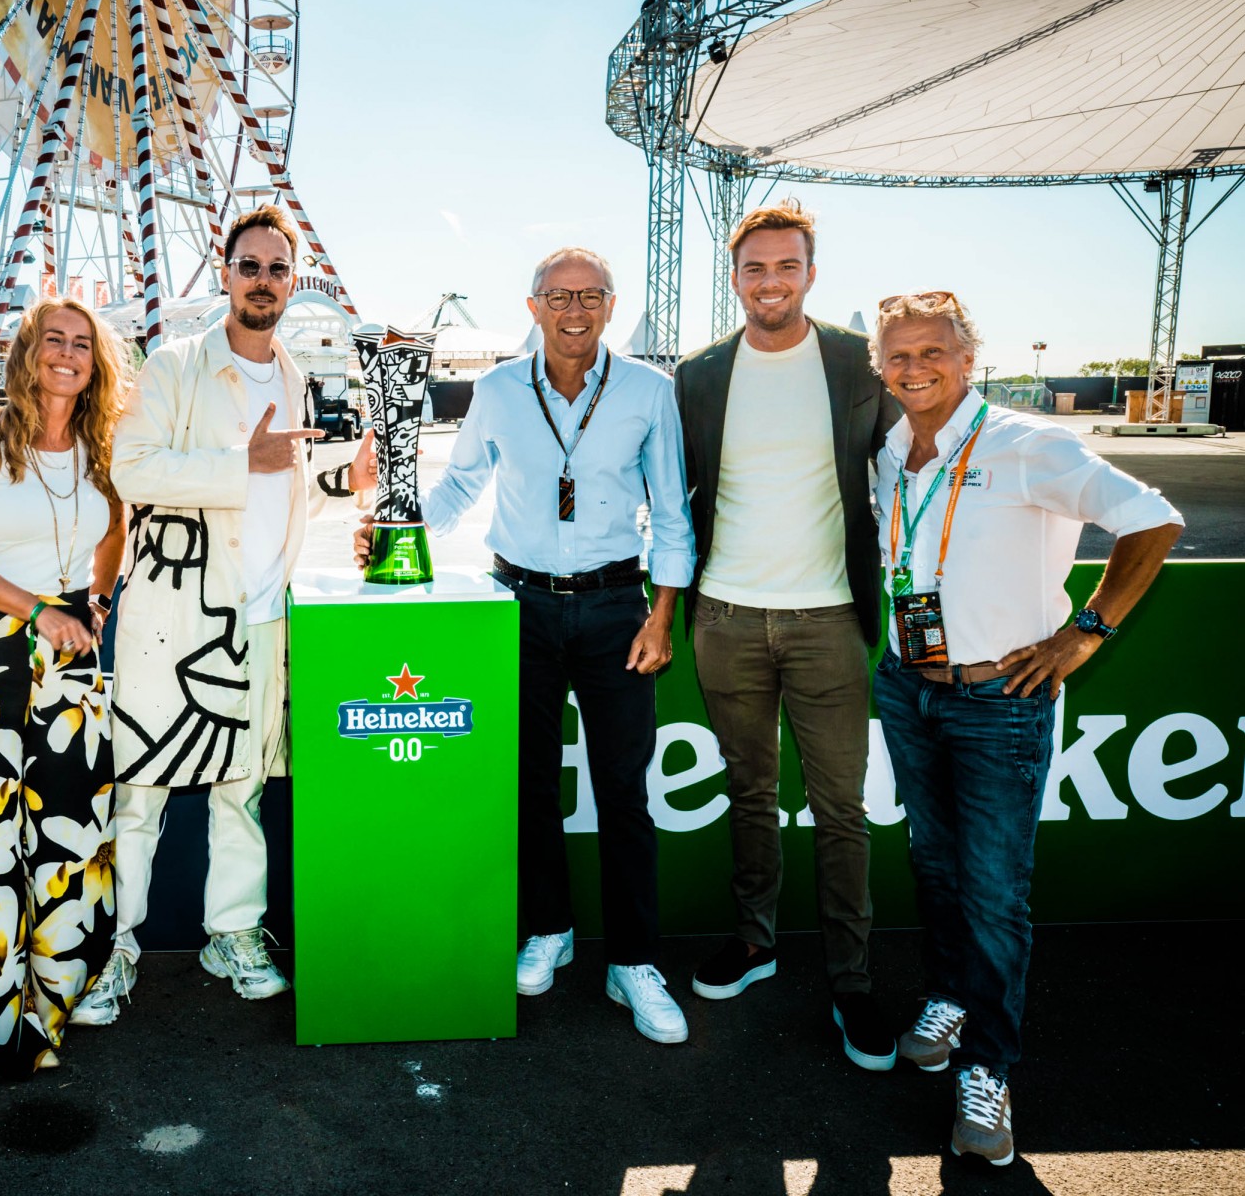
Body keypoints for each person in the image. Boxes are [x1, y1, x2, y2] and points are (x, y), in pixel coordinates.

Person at [870, 291, 1181, 1165]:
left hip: (999, 699)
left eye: (931, 351)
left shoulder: (1024, 442)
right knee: (932, 865)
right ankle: (950, 996)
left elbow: (1153, 521)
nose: (913, 368)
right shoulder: (891, 451)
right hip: (908, 686)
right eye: (896, 356)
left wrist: (1087, 631)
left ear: (967, 359)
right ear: (880, 370)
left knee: (995, 890)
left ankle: (988, 1068)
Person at [359, 246, 696, 1043]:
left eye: (588, 295)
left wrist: (661, 616)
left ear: (610, 306)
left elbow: (672, 513)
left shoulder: (649, 391)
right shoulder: (499, 389)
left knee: (624, 792)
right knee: (528, 784)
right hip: (520, 604)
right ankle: (548, 927)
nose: (572, 309)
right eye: (557, 296)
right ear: (532, 305)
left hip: (617, 606)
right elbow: (461, 483)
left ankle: (634, 962)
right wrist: (393, 528)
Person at [74, 204, 374, 1023]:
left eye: (279, 269)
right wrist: (242, 463)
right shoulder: (174, 364)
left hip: (261, 614)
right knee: (139, 788)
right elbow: (131, 470)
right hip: (173, 613)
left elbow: (292, 481)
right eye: (251, 266)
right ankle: (115, 947)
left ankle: (232, 932)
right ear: (225, 272)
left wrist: (351, 481)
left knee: (240, 790)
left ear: (291, 281)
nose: (264, 281)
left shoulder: (296, 375)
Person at [673, 199, 901, 1069]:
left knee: (842, 809)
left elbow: (917, 462)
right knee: (749, 792)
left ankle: (851, 981)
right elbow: (669, 492)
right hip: (724, 616)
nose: (769, 281)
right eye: (754, 268)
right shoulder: (698, 375)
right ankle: (755, 942)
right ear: (734, 279)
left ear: (811, 272)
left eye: (786, 265)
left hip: (829, 620)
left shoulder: (856, 365)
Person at [0, 296, 126, 1076]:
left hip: (70, 660)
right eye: (54, 341)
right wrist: (39, 609)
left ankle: (52, 1008)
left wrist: (96, 597)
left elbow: (115, 531)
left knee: (69, 848)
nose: (67, 354)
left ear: (95, 362)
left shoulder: (104, 450)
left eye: (82, 344)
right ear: (26, 351)